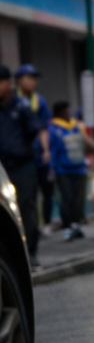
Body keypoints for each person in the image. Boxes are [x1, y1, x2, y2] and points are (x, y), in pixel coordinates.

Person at [0, 65, 45, 263]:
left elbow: (38, 129)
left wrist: (45, 150)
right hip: (2, 167)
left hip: (23, 164)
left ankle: (30, 253)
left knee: (27, 206)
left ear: (8, 83)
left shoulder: (22, 105)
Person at [14, 65, 53, 237]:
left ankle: (41, 226)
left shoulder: (39, 101)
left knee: (44, 192)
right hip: (17, 157)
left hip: (36, 155)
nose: (32, 82)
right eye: (28, 78)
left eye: (34, 78)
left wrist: (46, 150)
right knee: (24, 196)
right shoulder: (11, 99)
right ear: (19, 80)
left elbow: (43, 128)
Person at [48, 101, 94, 241]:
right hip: (63, 170)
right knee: (67, 199)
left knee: (78, 200)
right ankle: (68, 227)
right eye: (64, 111)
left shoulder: (77, 126)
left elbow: (87, 143)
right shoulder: (53, 129)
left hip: (80, 169)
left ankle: (76, 226)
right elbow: (53, 151)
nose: (67, 113)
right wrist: (52, 169)